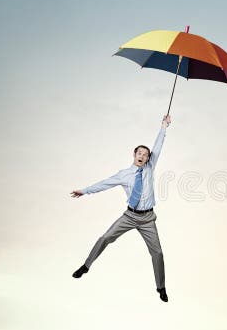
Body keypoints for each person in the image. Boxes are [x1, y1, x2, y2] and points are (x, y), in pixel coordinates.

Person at [70, 114, 172, 302]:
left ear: (149, 158)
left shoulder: (150, 168)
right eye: (139, 153)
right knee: (105, 237)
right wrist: (85, 191)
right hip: (129, 216)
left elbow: (158, 146)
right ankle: (85, 266)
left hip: (148, 219)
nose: (142, 156)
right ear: (134, 155)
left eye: (146, 154)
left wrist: (164, 126)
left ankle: (161, 287)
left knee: (157, 252)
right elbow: (105, 183)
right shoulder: (124, 175)